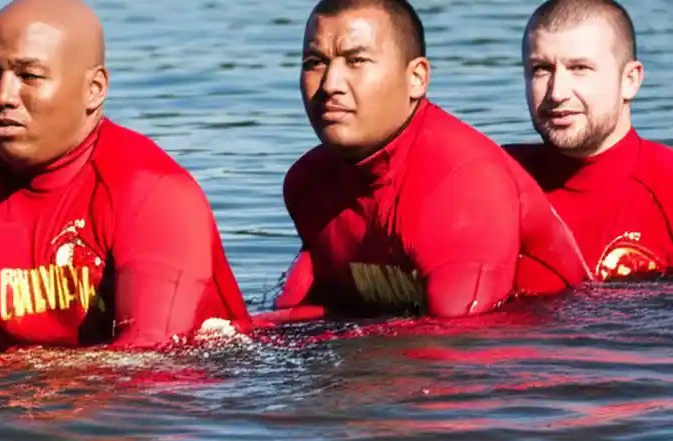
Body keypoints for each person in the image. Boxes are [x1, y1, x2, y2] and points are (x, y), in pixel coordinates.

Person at [0, 0, 250, 350]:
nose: (3, 96)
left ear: (94, 89)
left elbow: (153, 359)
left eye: (29, 76)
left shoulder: (154, 195)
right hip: (25, 397)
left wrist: (26, 374)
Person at [276, 0, 589, 320]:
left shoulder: (462, 184)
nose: (330, 85)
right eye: (315, 62)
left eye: (356, 60)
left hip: (559, 353)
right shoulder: (309, 184)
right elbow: (321, 312)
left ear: (417, 78)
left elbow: (460, 344)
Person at [506, 0, 673, 280]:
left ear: (630, 80)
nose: (557, 92)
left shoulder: (666, 185)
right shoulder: (492, 177)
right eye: (541, 69)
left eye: (580, 68)